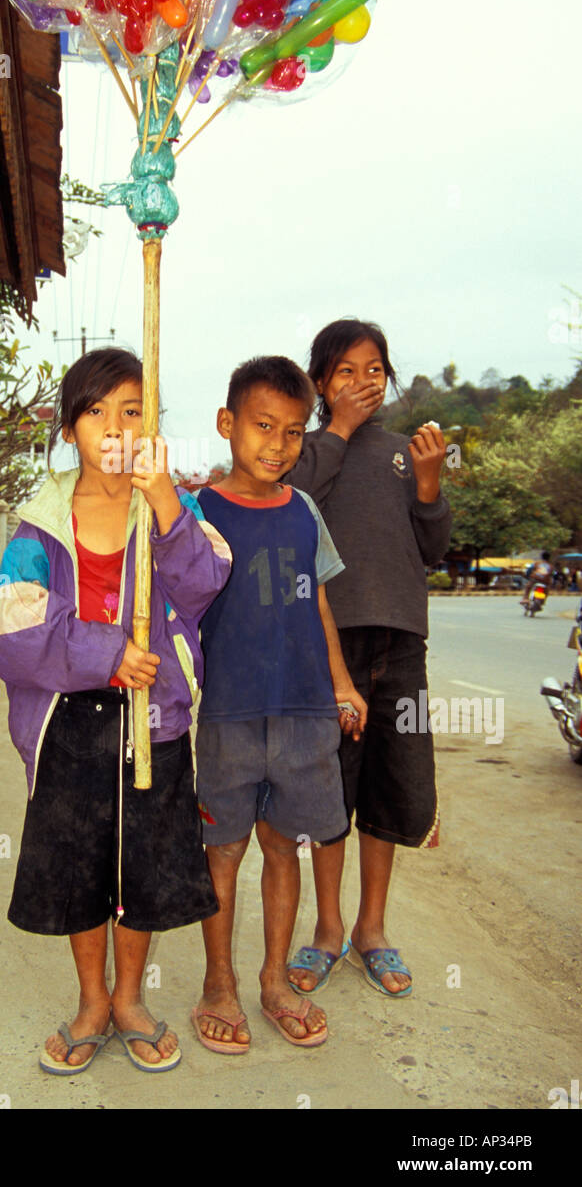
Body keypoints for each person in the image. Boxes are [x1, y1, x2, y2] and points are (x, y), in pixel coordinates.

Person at [0, 348, 230, 1075]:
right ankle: (91, 1000)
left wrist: (165, 504)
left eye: (131, 411)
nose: (114, 427)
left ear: (152, 426)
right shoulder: (40, 522)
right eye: (96, 411)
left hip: (155, 722)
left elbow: (206, 582)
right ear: (68, 428)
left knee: (142, 869)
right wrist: (107, 653)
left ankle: (129, 1000)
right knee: (79, 868)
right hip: (69, 727)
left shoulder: (176, 507)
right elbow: (14, 620)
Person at [190, 356, 367, 1053]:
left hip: (301, 710)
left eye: (294, 432)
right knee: (223, 851)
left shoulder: (303, 511)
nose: (278, 445)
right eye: (264, 427)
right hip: (227, 714)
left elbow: (318, 600)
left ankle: (272, 980)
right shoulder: (198, 513)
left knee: (283, 847)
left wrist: (343, 684)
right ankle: (218, 984)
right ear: (227, 424)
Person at [283, 319, 450, 999]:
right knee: (330, 793)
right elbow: (294, 507)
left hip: (403, 646)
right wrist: (339, 433)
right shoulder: (304, 452)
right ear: (320, 382)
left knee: (391, 787)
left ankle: (371, 932)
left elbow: (434, 549)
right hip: (331, 647)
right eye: (346, 371)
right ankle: (326, 930)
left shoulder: (405, 455)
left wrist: (431, 485)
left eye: (374, 368)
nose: (363, 382)